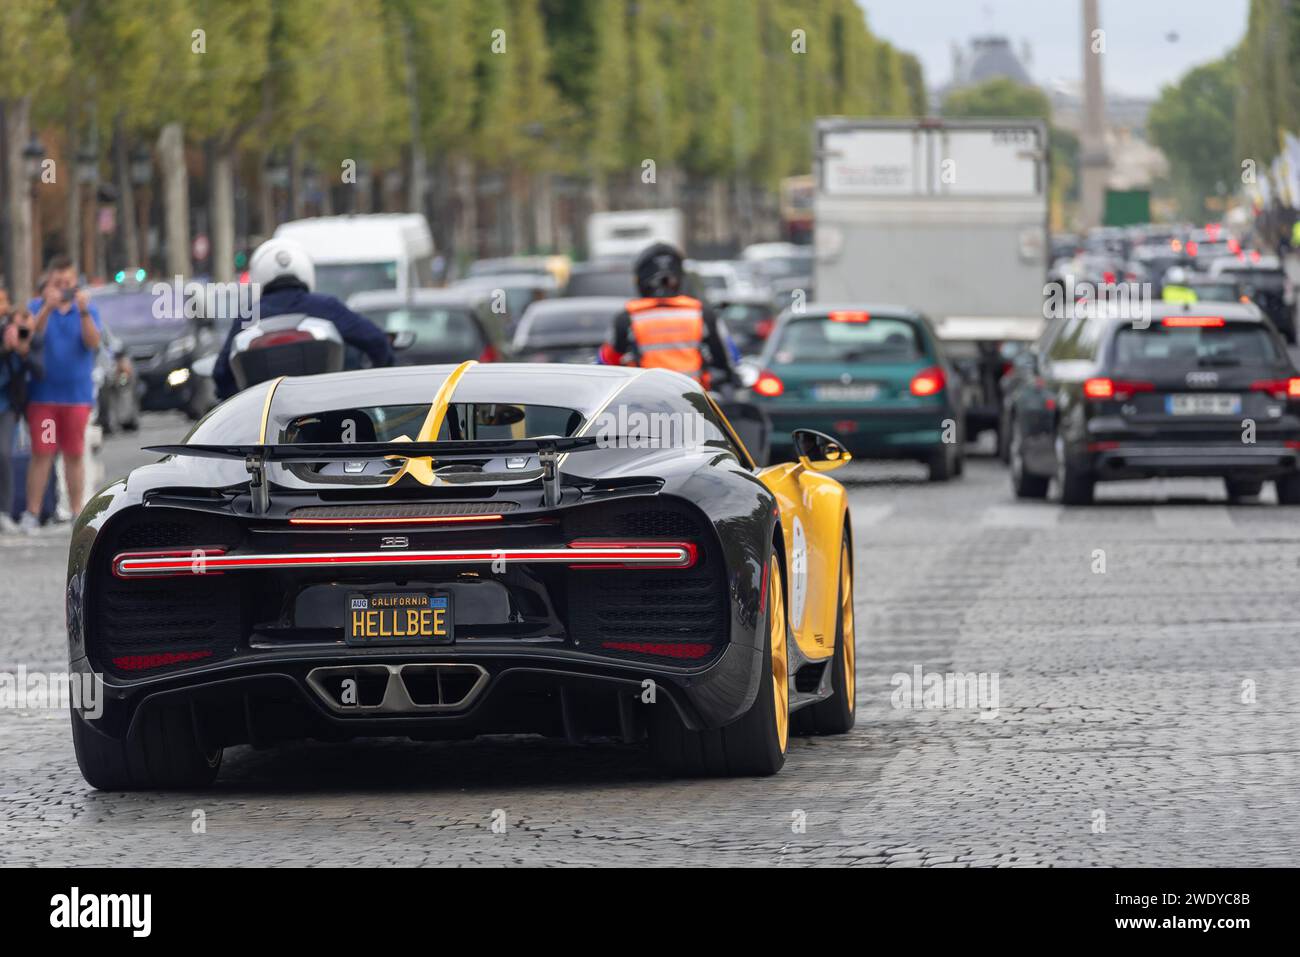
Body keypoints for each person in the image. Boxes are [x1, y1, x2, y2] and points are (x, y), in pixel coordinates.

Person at [212, 237, 394, 400]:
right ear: (305, 270)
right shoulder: (327, 307)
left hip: (262, 418)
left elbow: (221, 373)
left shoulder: (250, 315)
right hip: (328, 408)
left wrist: (240, 402)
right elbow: (376, 342)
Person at [22, 255, 100, 533]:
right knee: (42, 452)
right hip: (44, 397)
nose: (64, 287)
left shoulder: (87, 309)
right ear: (49, 282)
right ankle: (33, 512)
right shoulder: (36, 307)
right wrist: (46, 307)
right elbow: (27, 338)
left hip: (76, 398)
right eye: (58, 282)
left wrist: (83, 311)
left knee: (74, 454)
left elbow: (93, 342)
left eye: (68, 282)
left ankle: (77, 510)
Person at [598, 243, 736, 387]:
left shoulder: (627, 318)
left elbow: (607, 362)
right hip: (693, 401)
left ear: (640, 280)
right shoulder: (702, 314)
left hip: (643, 402)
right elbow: (728, 359)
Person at [1, 297, 45, 534]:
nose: (21, 331)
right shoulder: (3, 336)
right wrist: (7, 348)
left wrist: (23, 350)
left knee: (5, 453)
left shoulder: (31, 341)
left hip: (10, 406)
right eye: (17, 326)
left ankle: (6, 511)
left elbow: (39, 371)